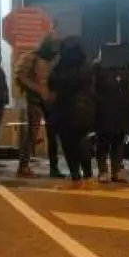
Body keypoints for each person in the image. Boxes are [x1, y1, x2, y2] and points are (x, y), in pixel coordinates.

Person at [48, 36, 96, 189]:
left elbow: (52, 83)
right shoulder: (86, 66)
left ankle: (77, 175)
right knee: (81, 141)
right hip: (83, 109)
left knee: (69, 144)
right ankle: (86, 174)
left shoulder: (61, 67)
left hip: (65, 109)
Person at [14, 33, 59, 178]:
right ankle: (24, 165)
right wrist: (38, 89)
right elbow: (20, 76)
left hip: (50, 100)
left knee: (53, 134)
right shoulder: (31, 57)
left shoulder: (55, 59)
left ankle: (54, 167)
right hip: (35, 99)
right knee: (32, 132)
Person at [93, 56, 129, 183]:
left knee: (118, 142)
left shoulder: (125, 73)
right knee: (103, 143)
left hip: (120, 112)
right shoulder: (98, 70)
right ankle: (103, 171)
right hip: (104, 112)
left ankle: (116, 171)